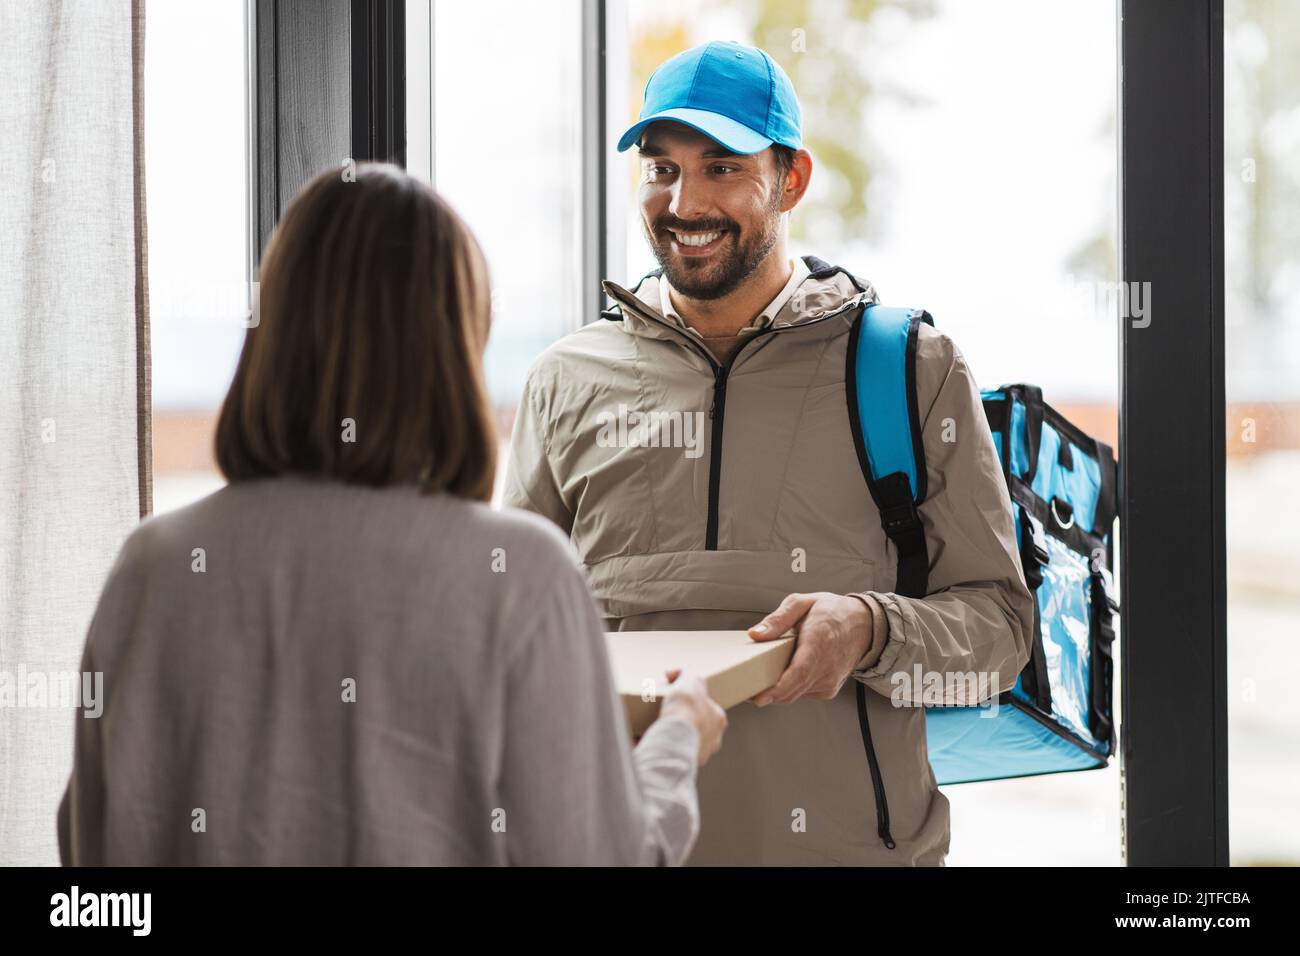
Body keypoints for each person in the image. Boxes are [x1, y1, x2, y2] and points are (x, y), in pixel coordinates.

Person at [57, 163, 726, 866]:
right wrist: (677, 739)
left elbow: (93, 854)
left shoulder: (154, 565)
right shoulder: (520, 578)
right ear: (456, 346)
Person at [503, 41, 1035, 865]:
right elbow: (512, 637)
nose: (684, 201)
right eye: (661, 169)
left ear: (791, 180)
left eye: (721, 168)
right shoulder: (565, 379)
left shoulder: (909, 370)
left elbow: (998, 635)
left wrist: (869, 626)